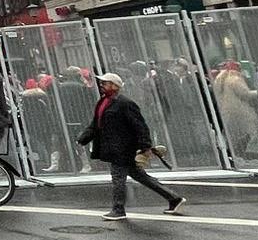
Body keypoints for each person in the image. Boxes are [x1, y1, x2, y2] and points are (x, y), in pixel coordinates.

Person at [77, 73, 187, 221]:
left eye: (105, 83)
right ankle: (174, 199)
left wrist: (145, 146)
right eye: (102, 83)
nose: (101, 85)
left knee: (118, 178)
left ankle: (118, 209)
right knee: (140, 176)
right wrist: (83, 139)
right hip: (114, 147)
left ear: (115, 86)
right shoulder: (104, 102)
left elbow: (140, 125)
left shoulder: (125, 103)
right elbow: (96, 124)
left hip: (123, 148)